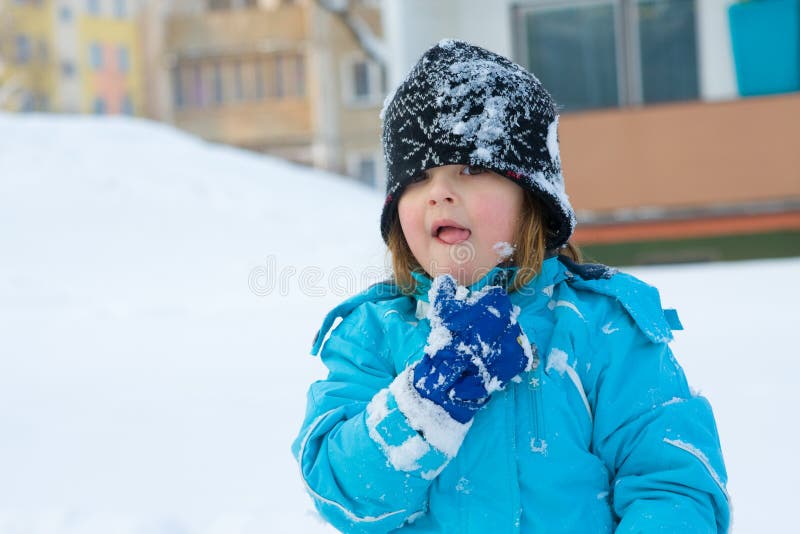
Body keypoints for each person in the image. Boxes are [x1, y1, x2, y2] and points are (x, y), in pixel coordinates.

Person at [292, 40, 730, 533]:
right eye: (417, 177)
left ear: (532, 198)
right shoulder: (373, 336)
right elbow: (344, 496)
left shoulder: (602, 330)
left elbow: (672, 486)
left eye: (470, 168)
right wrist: (421, 407)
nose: (439, 193)